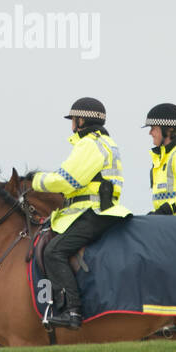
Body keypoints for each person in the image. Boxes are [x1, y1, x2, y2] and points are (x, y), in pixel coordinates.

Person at [31, 98, 132, 329]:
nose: (71, 126)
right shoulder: (106, 143)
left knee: (54, 251)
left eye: (73, 120)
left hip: (93, 211)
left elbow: (67, 180)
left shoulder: (89, 144)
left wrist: (35, 180)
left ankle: (72, 312)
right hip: (101, 209)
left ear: (81, 120)